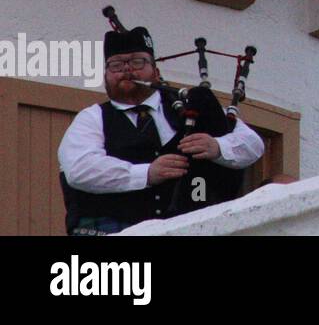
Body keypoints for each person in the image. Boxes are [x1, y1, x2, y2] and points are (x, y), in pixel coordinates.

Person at [57, 24, 265, 235]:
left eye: (138, 62)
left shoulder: (190, 107)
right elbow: (80, 169)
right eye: (116, 65)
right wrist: (146, 174)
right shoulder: (92, 118)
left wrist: (218, 146)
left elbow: (253, 144)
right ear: (105, 77)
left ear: (156, 72)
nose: (127, 70)